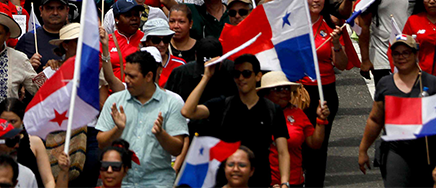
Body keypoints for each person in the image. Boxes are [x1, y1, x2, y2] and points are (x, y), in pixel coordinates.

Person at [180, 54, 290, 188]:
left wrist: (284, 183)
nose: (241, 78)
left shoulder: (272, 109)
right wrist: (206, 77)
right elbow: (187, 111)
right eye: (236, 74)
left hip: (259, 181)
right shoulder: (223, 104)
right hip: (226, 181)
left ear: (258, 76)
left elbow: (283, 151)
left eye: (246, 73)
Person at [359, 35, 436, 187]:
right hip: (396, 151)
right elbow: (375, 119)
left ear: (415, 54)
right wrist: (363, 150)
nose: (401, 57)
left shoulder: (432, 84)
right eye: (397, 53)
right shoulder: (385, 84)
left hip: (425, 155)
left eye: (406, 52)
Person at [96, 51, 189, 188]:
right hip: (121, 183)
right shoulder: (115, 101)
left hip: (158, 183)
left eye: (132, 76)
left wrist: (160, 134)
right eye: (126, 74)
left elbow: (177, 149)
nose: (126, 80)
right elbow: (101, 143)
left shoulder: (172, 103)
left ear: (149, 76)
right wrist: (118, 129)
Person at [300, 0, 349, 188]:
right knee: (297, 143)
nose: (316, 0)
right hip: (297, 94)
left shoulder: (330, 26)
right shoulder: (291, 25)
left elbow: (343, 64)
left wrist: (336, 44)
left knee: (318, 148)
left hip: (324, 92)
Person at [258, 71, 329, 188]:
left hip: (293, 182)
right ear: (265, 94)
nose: (285, 91)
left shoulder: (298, 114)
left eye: (287, 88)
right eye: (278, 89)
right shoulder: (256, 114)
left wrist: (321, 120)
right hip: (263, 181)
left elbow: (314, 143)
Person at [0, 99, 59, 188]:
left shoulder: (35, 142)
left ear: (22, 120)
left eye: (13, 121)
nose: (8, 126)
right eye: (4, 122)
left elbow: (48, 180)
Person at [15, 0, 68, 67]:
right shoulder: (28, 39)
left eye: (60, 8)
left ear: (67, 11)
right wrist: (28, 67)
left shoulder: (76, 39)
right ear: (41, 10)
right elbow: (15, 70)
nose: (55, 13)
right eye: (50, 8)